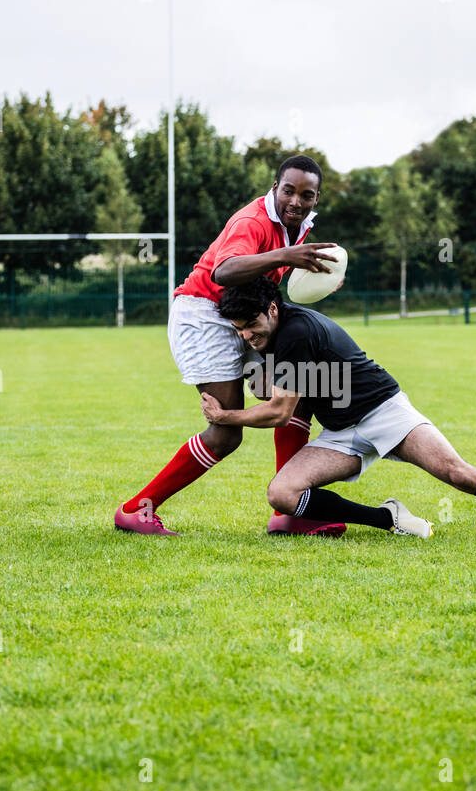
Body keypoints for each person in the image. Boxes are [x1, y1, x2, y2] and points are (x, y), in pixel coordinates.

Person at [204, 277, 476, 541]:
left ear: (273, 309)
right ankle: (388, 518)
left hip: (383, 411)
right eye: (238, 330)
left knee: (457, 473)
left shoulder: (295, 332)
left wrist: (225, 418)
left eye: (250, 324)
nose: (246, 336)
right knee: (283, 494)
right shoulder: (271, 335)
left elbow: (277, 412)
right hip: (341, 432)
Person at [114, 154, 344, 536]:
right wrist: (287, 255)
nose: (296, 201)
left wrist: (320, 280)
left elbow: (266, 281)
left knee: (296, 394)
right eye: (288, 191)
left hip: (242, 313)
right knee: (225, 434)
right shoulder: (251, 221)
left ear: (316, 198)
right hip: (203, 314)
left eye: (307, 195)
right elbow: (225, 271)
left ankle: (290, 511)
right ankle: (137, 509)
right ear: (275, 188)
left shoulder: (298, 226)